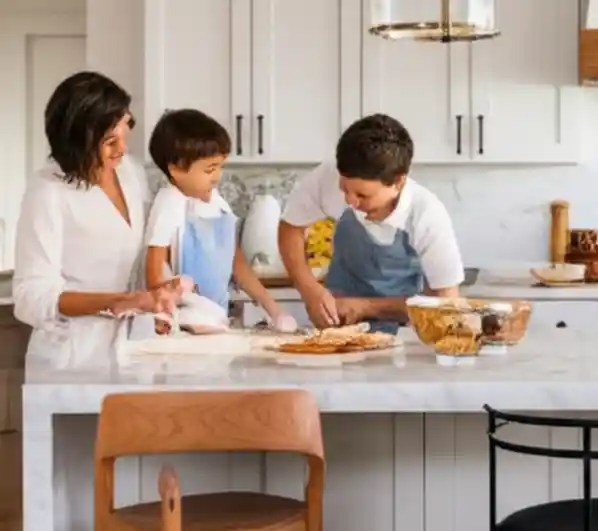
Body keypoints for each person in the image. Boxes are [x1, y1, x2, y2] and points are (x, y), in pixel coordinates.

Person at [13, 71, 184, 368]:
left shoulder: (129, 172)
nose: (122, 148)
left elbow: (142, 250)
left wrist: (163, 293)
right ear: (77, 142)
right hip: (72, 359)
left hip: (135, 351)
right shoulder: (48, 193)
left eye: (125, 129)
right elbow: (31, 297)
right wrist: (120, 301)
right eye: (109, 141)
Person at [277, 114, 465, 332]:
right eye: (344, 189)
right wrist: (310, 291)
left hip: (406, 335)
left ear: (398, 182)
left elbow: (446, 303)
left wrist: (366, 307)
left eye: (362, 195)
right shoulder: (328, 175)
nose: (350, 200)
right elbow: (290, 227)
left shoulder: (427, 214)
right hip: (336, 330)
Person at [143, 108, 295, 333]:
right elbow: (154, 278)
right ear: (176, 168)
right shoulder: (168, 204)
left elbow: (236, 263)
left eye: (220, 167)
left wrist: (272, 308)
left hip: (218, 320)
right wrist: (177, 293)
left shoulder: (218, 203)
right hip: (182, 328)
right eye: (209, 169)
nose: (217, 177)